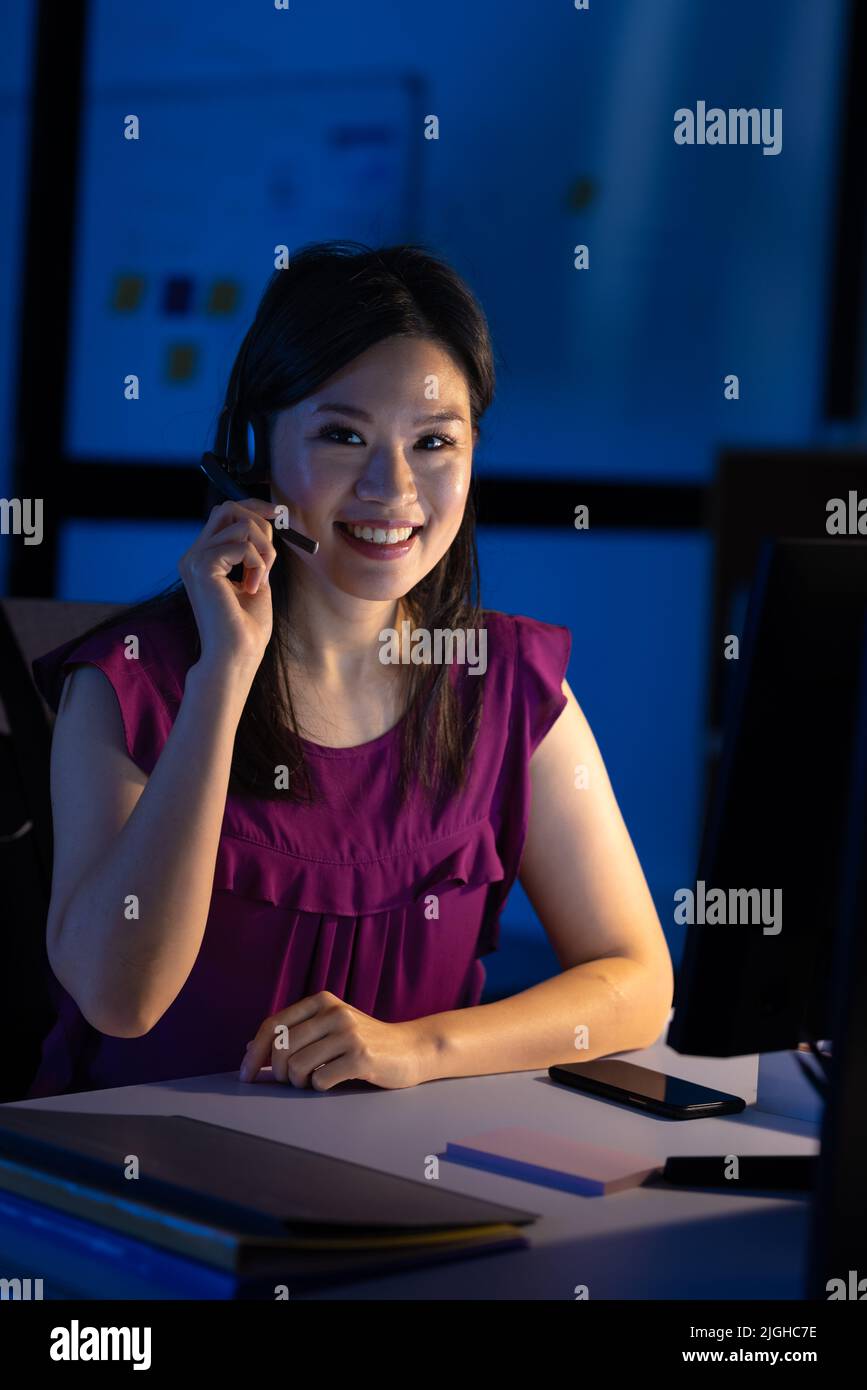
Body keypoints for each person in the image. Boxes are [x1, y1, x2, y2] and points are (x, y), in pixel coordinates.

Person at [27, 241, 673, 1099]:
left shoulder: (508, 682)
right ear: (254, 450)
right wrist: (224, 675)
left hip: (407, 1186)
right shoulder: (127, 684)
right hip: (147, 1193)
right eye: (342, 435)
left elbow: (636, 984)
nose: (392, 487)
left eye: (434, 442)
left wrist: (416, 1049)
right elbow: (119, 999)